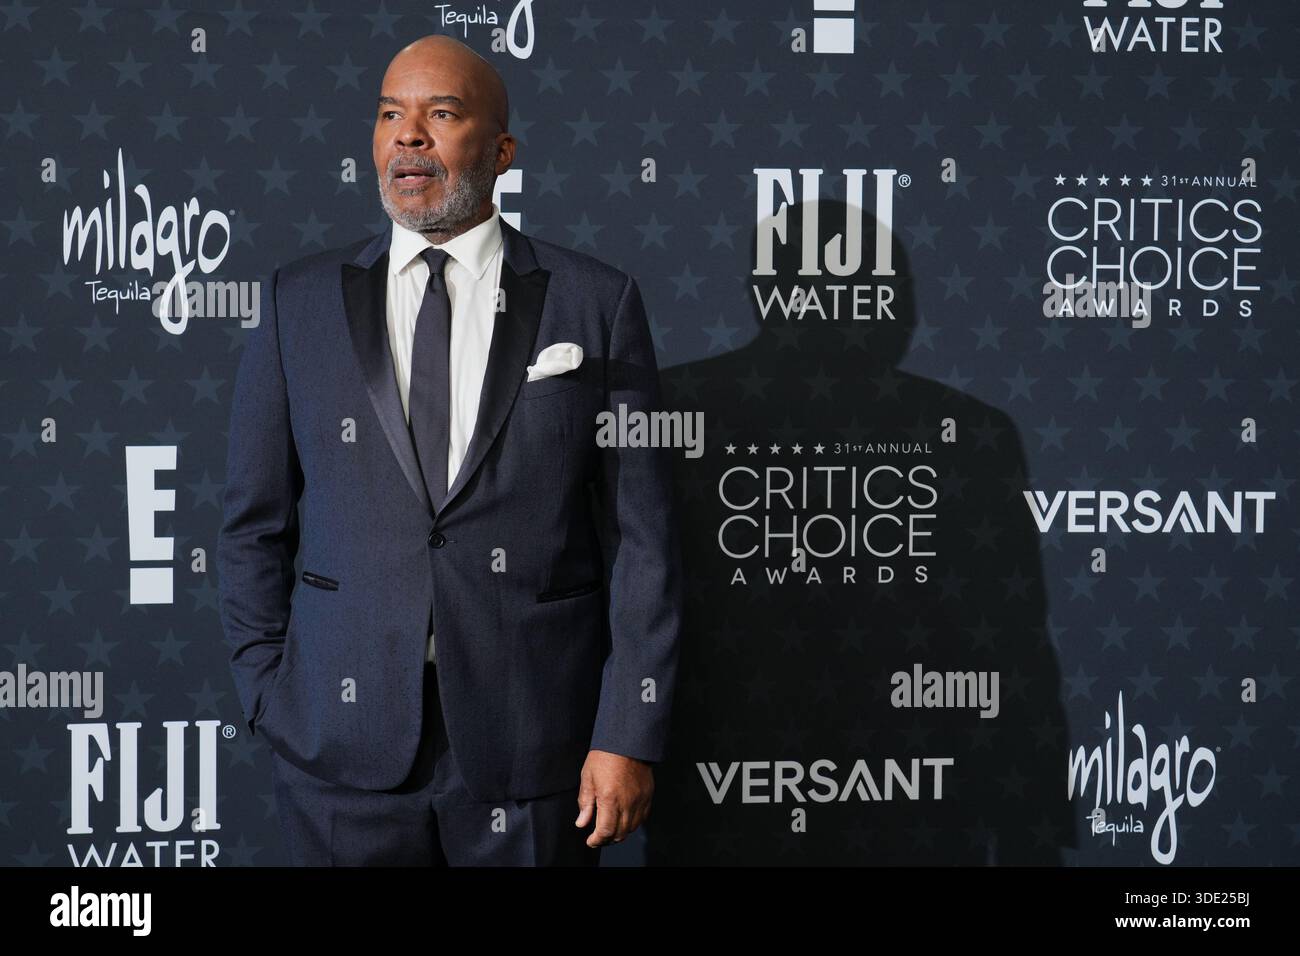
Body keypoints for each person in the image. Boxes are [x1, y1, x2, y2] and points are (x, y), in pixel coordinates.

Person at [216, 34, 683, 866]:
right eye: (391, 113)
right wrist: (268, 692)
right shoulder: (300, 301)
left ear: (501, 151)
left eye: (441, 113)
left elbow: (642, 541)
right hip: (338, 749)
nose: (408, 136)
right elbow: (254, 522)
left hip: (536, 747)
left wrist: (627, 732)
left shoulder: (595, 302)